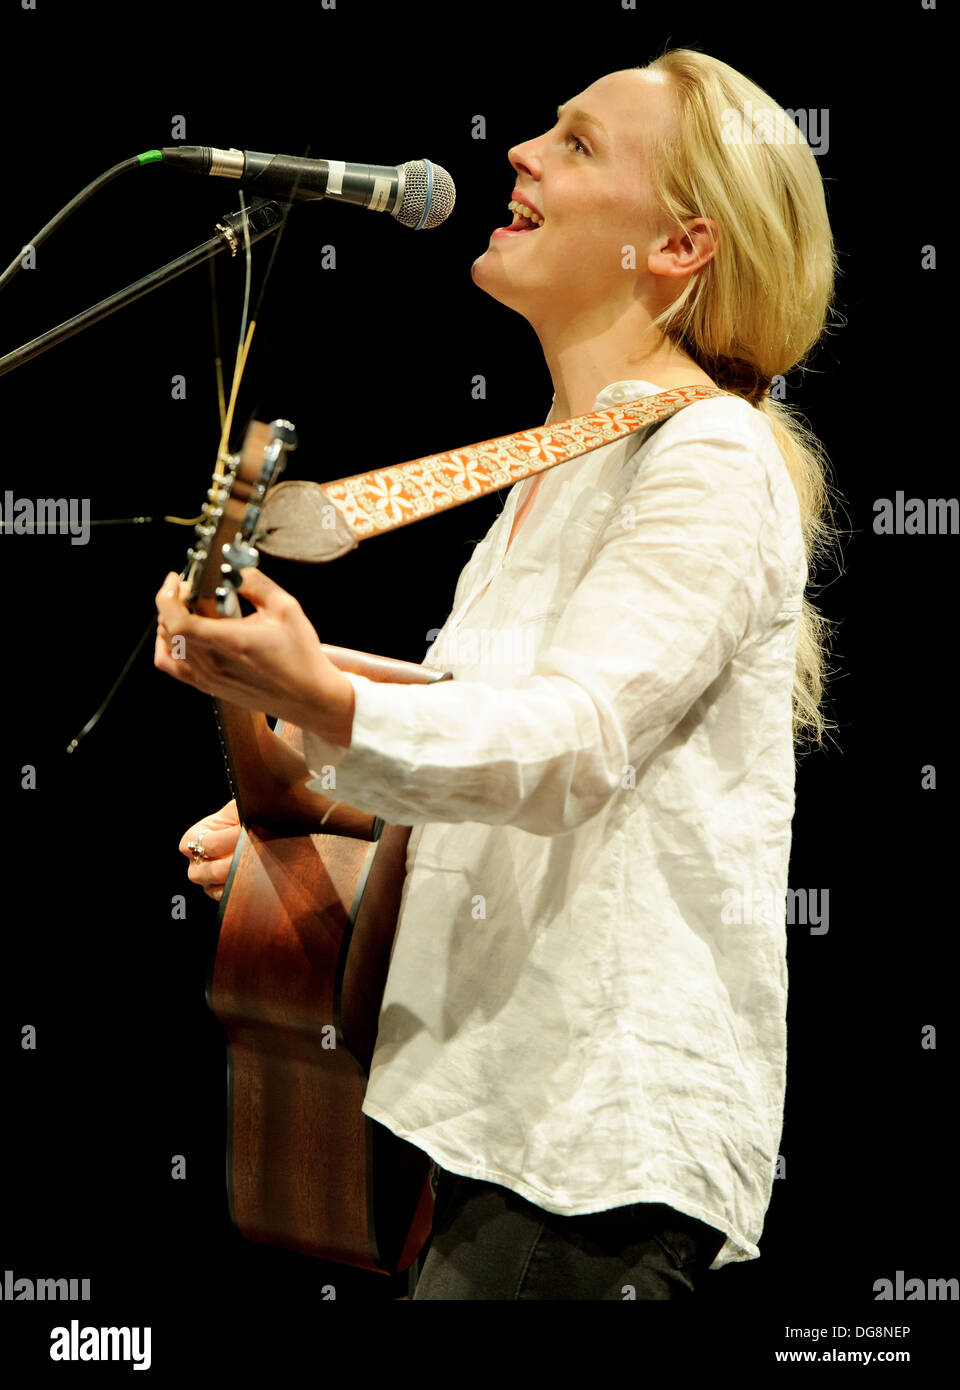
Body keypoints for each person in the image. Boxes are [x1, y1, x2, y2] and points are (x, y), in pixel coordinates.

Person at [156, 47, 841, 1299]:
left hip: (582, 1157)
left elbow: (572, 741)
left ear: (679, 246)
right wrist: (306, 791)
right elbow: (489, 750)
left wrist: (321, 699)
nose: (519, 152)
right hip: (489, 1134)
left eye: (577, 143)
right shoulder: (556, 470)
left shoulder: (710, 457)